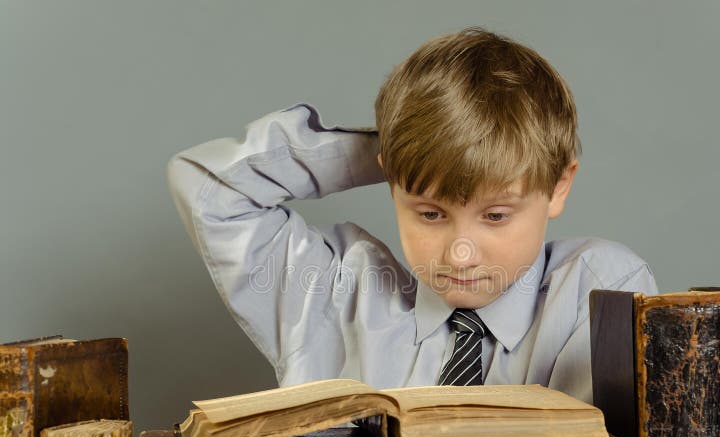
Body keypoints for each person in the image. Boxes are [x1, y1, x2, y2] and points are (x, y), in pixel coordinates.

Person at [167, 26, 658, 404]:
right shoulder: (332, 299)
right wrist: (409, 150)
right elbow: (208, 187)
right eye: (430, 213)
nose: (461, 254)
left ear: (558, 186)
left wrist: (442, 163)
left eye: (495, 216)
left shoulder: (593, 292)